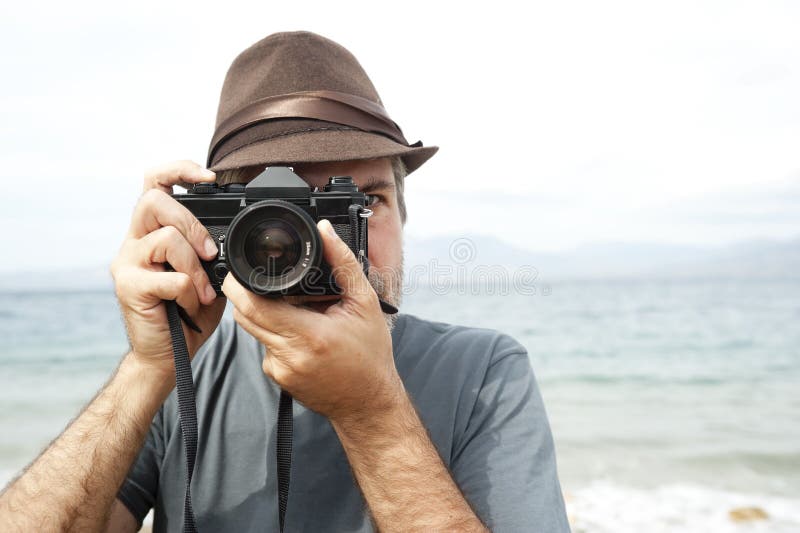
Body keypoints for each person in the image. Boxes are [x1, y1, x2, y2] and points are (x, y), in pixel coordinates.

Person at [0, 31, 570, 532]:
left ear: (404, 212)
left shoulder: (483, 372)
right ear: (212, 227)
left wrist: (370, 412)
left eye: (360, 204)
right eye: (283, 214)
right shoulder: (182, 377)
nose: (328, 242)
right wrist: (147, 370)